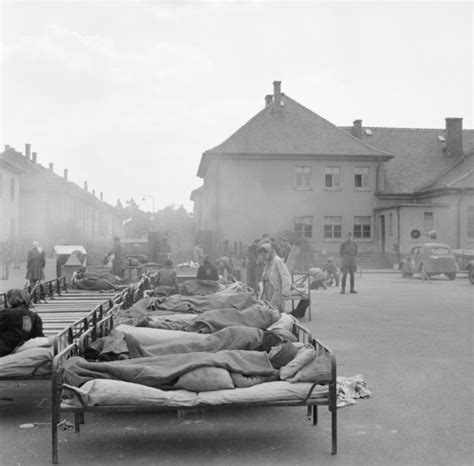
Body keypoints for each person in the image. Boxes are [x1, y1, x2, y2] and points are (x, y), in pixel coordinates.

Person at [0, 289, 44, 356]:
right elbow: (39, 337)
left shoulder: (7, 313)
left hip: (4, 350)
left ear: (11, 299)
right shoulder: (35, 317)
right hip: (21, 350)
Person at [258, 243, 291, 312]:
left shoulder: (277, 260)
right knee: (266, 308)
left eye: (265, 253)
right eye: (262, 254)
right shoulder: (268, 262)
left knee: (274, 308)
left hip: (275, 288)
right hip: (267, 288)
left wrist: (285, 291)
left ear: (270, 252)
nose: (263, 256)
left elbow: (285, 275)